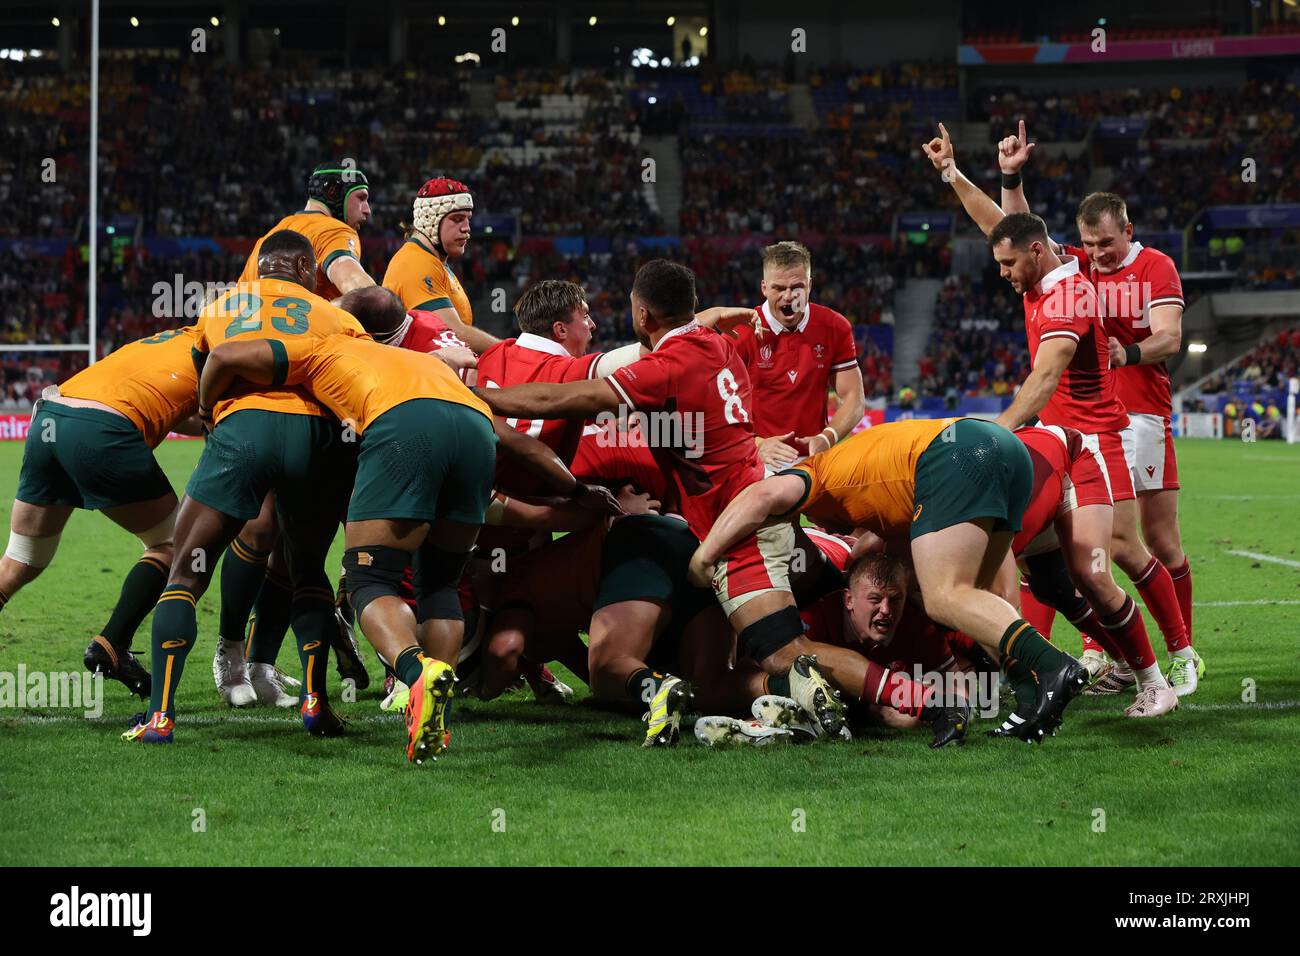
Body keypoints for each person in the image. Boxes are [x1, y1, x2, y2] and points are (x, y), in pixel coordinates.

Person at [195, 330, 619, 762]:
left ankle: (418, 674)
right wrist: (576, 489)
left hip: (404, 424)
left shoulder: (320, 347)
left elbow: (228, 355)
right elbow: (519, 443)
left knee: (368, 577)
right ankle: (437, 713)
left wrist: (205, 407)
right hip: (474, 433)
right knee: (440, 584)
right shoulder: (429, 366)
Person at [687, 418, 1090, 743]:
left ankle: (1055, 667)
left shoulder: (816, 473)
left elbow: (760, 497)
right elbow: (989, 591)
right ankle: (1029, 694)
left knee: (945, 598)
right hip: (1005, 450)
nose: (817, 524)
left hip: (955, 455)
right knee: (971, 602)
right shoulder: (881, 500)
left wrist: (704, 557)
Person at [124, 230, 371, 744]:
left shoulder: (220, 307)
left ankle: (160, 717)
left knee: (185, 570)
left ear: (261, 268)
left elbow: (200, 371)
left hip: (242, 430)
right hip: (318, 439)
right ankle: (315, 703)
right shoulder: (337, 316)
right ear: (307, 270)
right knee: (307, 573)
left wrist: (214, 414)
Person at [1, 328, 202, 698]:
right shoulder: (219, 346)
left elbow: (177, 409)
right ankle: (112, 646)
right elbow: (209, 410)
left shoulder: (166, 340)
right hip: (102, 429)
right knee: (174, 544)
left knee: (20, 561)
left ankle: (114, 648)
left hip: (52, 415)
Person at [730, 241, 866, 472]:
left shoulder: (834, 326)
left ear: (810, 285)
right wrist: (757, 443)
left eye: (797, 287)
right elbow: (716, 405)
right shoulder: (740, 331)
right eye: (779, 288)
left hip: (814, 456)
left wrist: (828, 437)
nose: (789, 296)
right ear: (764, 287)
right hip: (761, 457)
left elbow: (854, 397)